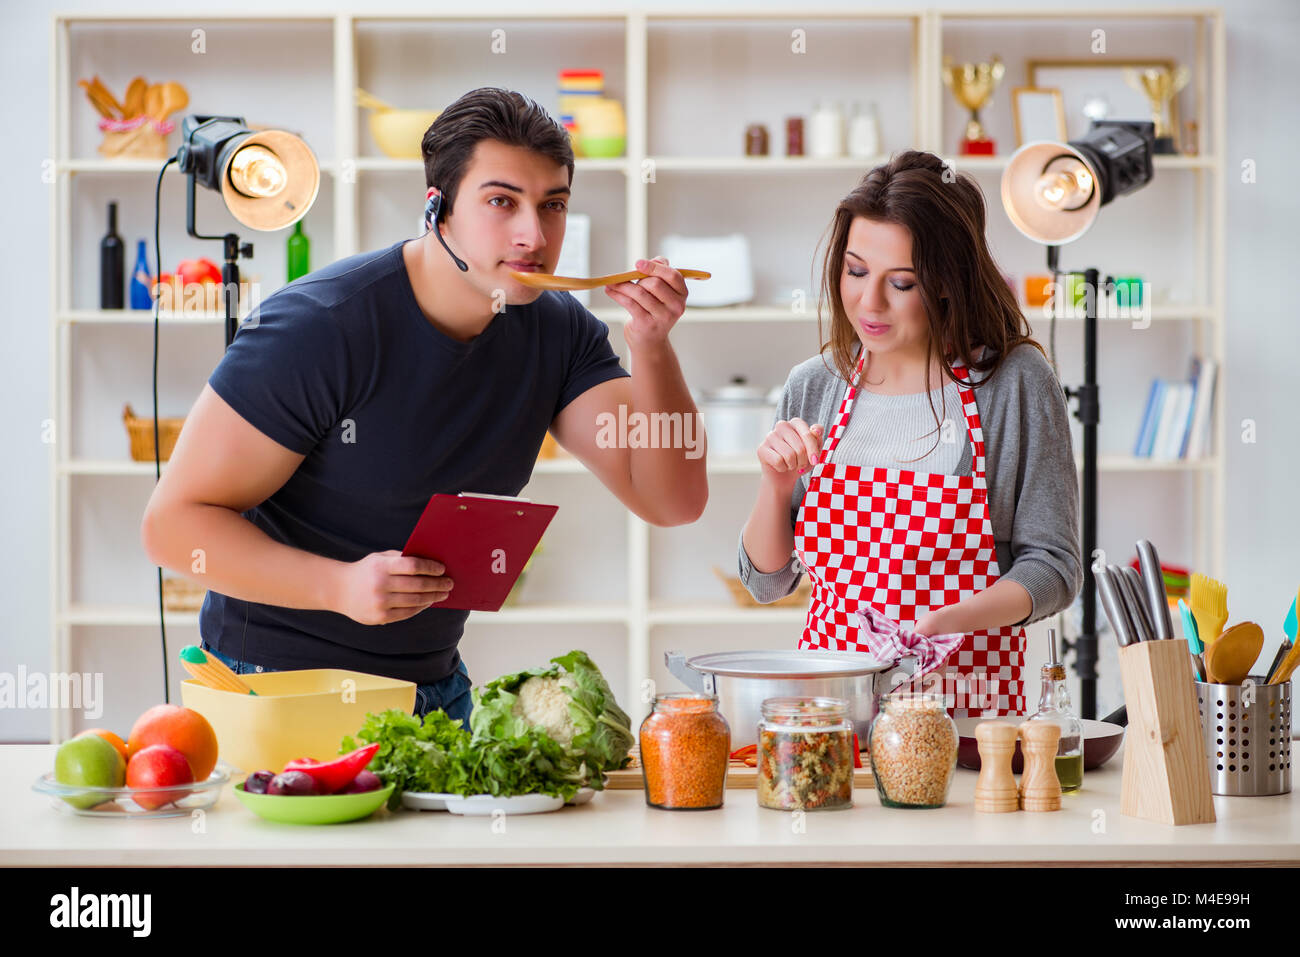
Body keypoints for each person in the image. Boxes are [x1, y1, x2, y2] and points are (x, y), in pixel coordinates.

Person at [141, 88, 707, 727]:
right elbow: (172, 526)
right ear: (437, 208)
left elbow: (671, 500)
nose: (534, 234)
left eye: (553, 205)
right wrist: (339, 586)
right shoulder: (321, 326)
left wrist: (653, 346)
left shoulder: (558, 330)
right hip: (275, 690)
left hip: (433, 688)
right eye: (501, 202)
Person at [739, 150, 1081, 718]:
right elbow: (768, 582)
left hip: (965, 719)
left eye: (901, 283)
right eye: (855, 272)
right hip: (831, 719)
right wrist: (775, 487)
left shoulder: (1013, 384)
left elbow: (1054, 567)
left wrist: (950, 622)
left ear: (947, 283)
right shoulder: (814, 386)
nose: (868, 303)